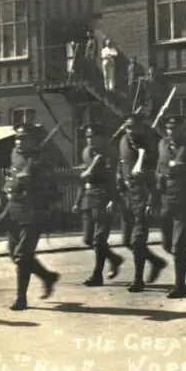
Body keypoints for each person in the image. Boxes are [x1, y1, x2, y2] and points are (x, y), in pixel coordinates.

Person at [0, 124, 61, 310]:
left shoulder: (43, 162)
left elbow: (55, 194)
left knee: (22, 256)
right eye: (17, 138)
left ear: (34, 141)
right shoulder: (15, 154)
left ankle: (21, 299)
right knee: (15, 255)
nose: (19, 142)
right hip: (14, 211)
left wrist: (33, 183)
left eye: (24, 138)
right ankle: (47, 276)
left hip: (33, 213)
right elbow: (9, 184)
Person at [155, 114, 186, 297]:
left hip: (185, 200)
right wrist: (158, 184)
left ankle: (180, 286)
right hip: (166, 199)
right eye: (169, 128)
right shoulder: (162, 144)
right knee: (167, 244)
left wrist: (182, 167)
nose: (171, 132)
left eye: (175, 128)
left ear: (183, 129)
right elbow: (159, 167)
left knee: (178, 246)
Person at [117, 113, 167, 292]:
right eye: (127, 127)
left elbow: (158, 175)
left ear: (141, 127)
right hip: (127, 197)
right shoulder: (123, 140)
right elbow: (121, 162)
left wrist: (152, 201)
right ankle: (155, 261)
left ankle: (138, 279)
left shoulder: (152, 145)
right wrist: (119, 183)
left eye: (133, 127)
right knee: (126, 241)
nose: (129, 131)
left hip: (143, 195)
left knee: (138, 241)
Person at [72, 123, 124, 286]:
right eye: (87, 136)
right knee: (88, 239)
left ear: (101, 138)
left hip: (103, 197)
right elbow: (85, 179)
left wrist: (112, 199)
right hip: (88, 197)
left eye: (93, 136)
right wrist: (78, 200)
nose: (89, 139)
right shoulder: (87, 152)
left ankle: (97, 275)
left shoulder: (109, 155)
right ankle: (114, 259)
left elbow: (114, 179)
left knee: (99, 239)